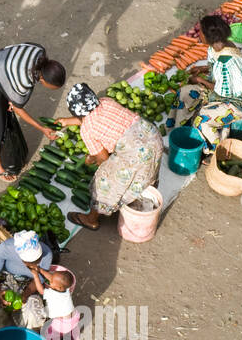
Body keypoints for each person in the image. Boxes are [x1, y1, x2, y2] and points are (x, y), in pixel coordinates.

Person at [60, 83, 164, 231]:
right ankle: (139, 196)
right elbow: (90, 115)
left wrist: (92, 159)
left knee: (105, 178)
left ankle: (92, 219)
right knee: (145, 171)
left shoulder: (87, 130)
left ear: (77, 112)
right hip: (152, 137)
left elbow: (103, 158)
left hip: (136, 152)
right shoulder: (105, 101)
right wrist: (66, 121)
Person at [0, 43, 65, 180]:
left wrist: (11, 97)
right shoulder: (24, 80)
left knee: (3, 112)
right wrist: (42, 128)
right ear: (43, 79)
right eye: (51, 87)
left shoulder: (40, 52)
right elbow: (18, 108)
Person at [189, 14, 242, 150]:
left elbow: (221, 90)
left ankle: (218, 151)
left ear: (209, 36)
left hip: (238, 102)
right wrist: (203, 68)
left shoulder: (226, 62)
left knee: (201, 120)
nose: (198, 34)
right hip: (226, 89)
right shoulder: (220, 46)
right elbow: (218, 69)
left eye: (200, 32)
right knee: (188, 93)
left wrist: (200, 79)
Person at [0, 228, 53, 305]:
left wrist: (25, 295)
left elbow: (38, 280)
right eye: (30, 263)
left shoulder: (47, 253)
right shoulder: (5, 248)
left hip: (28, 283)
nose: (35, 267)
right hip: (6, 276)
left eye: (38, 261)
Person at [27, 265, 79, 340]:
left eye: (51, 282)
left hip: (62, 324)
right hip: (74, 316)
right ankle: (75, 336)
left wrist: (36, 275)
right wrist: (40, 270)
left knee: (49, 339)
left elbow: (41, 290)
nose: (50, 280)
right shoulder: (66, 288)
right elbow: (52, 278)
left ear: (59, 287)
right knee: (71, 327)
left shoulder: (52, 294)